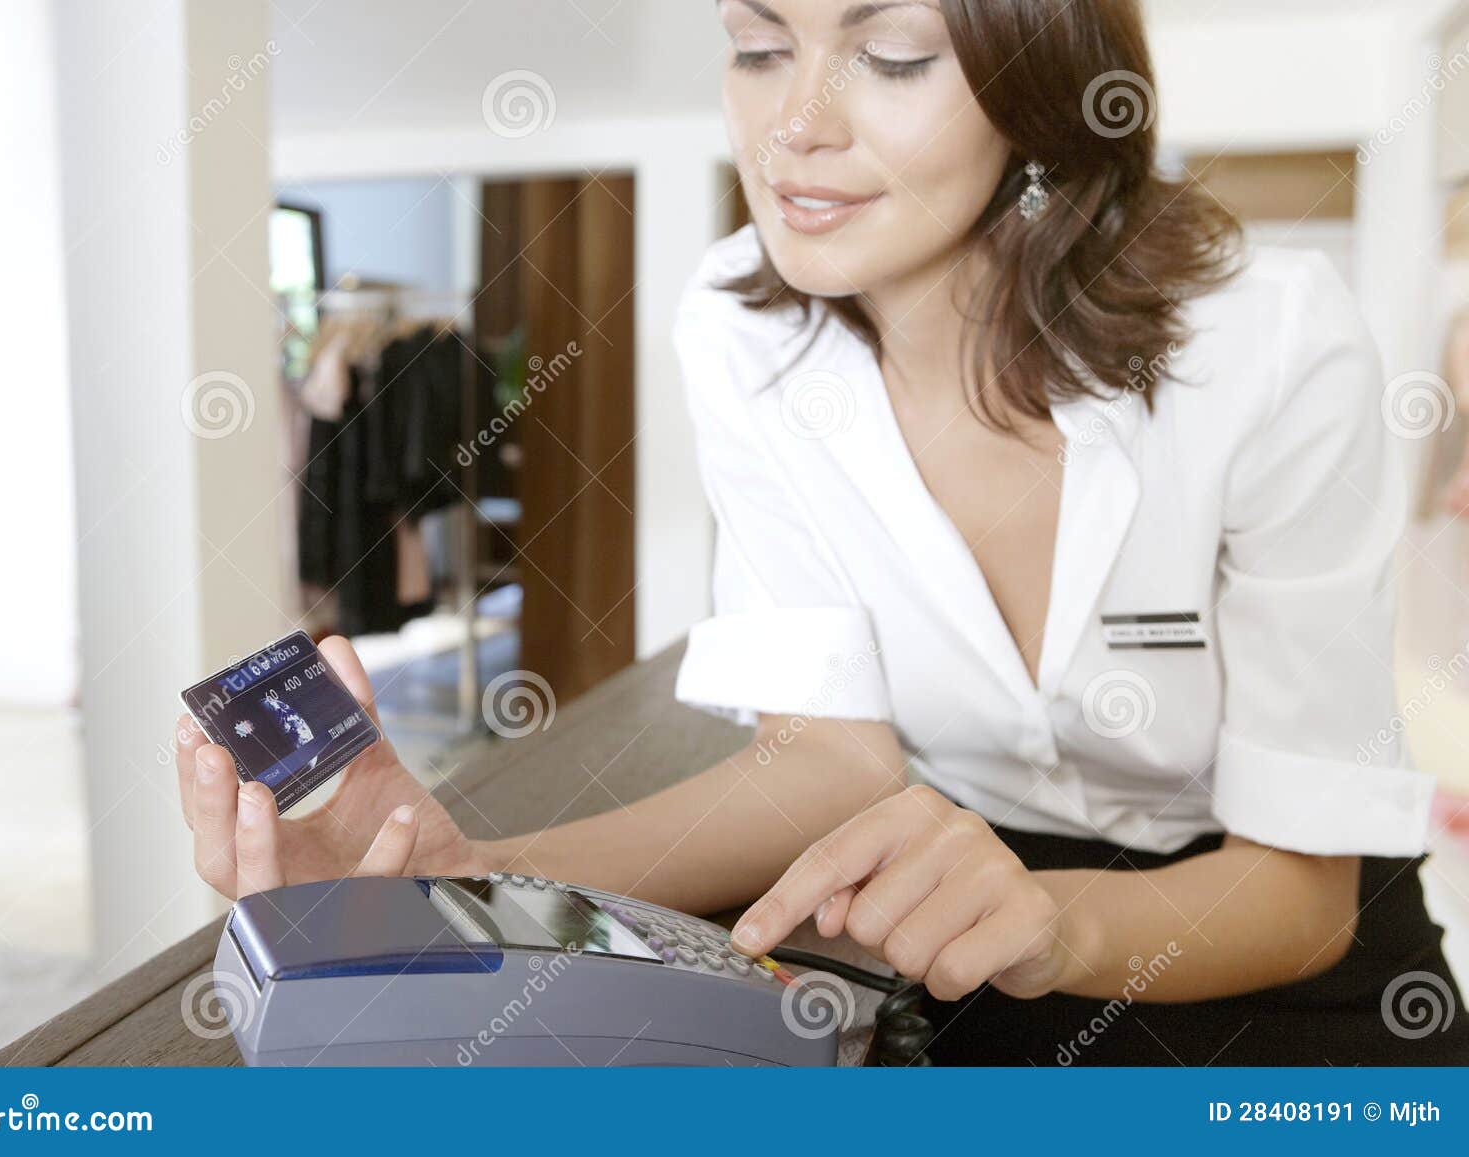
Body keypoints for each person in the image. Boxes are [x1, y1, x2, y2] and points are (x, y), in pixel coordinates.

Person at [175, 0, 1468, 1064]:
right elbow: (830, 767)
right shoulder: (744, 336)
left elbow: (1300, 896)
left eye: (893, 57)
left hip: (1254, 941)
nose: (793, 126)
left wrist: (1053, 928)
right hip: (946, 924)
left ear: (1046, 80)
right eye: (756, 47)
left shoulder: (1272, 346)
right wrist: (473, 876)